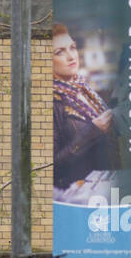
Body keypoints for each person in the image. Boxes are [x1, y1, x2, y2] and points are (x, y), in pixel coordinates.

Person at [51, 24, 119, 192]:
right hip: (77, 195)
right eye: (59, 52)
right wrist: (92, 130)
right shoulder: (53, 101)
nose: (70, 56)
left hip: (106, 185)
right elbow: (51, 165)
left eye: (72, 48)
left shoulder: (83, 88)